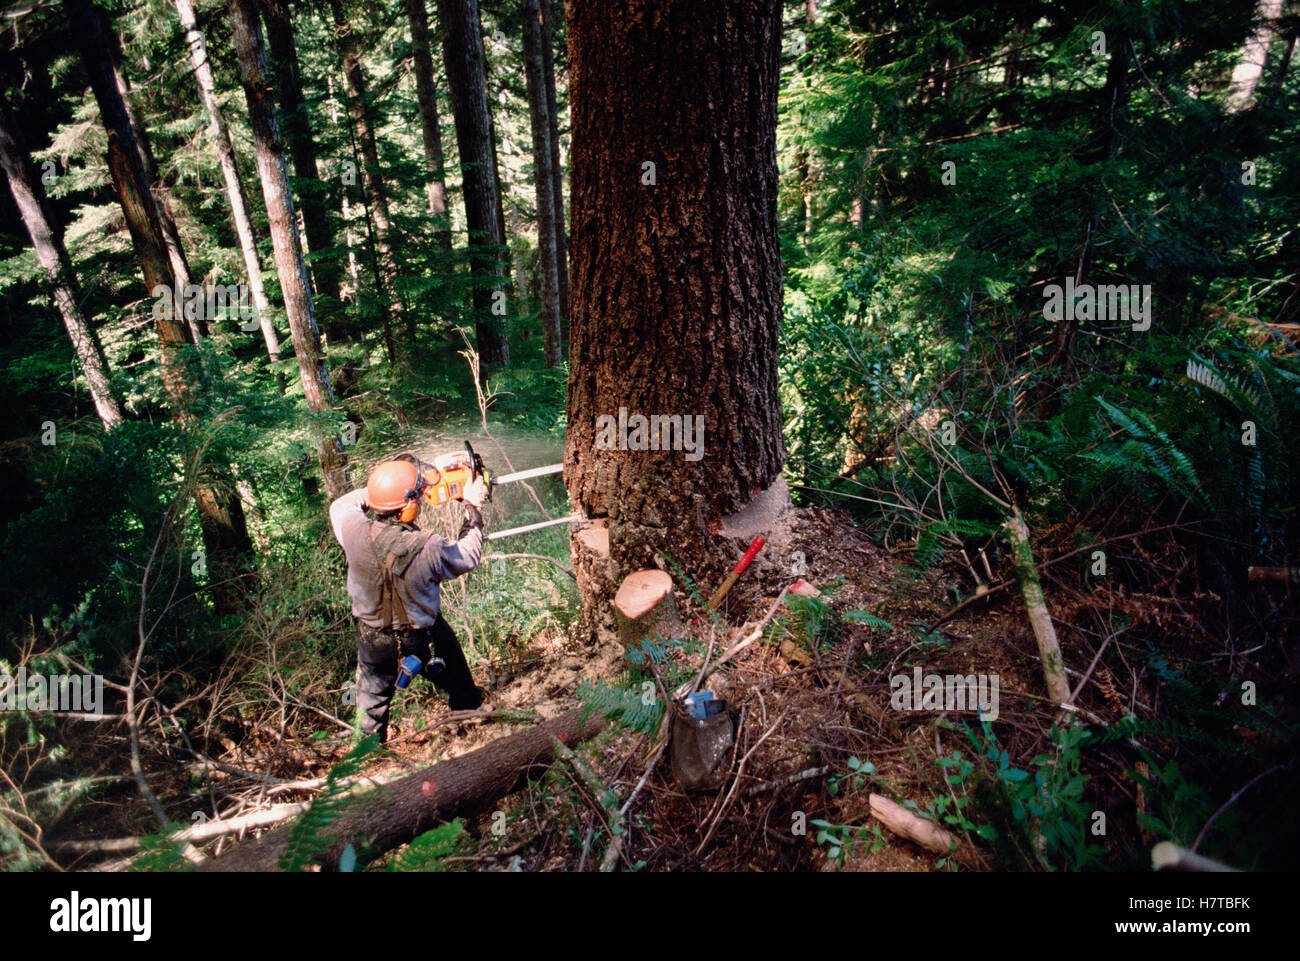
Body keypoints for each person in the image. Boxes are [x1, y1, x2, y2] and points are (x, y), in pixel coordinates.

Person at [329, 454, 489, 743]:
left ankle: (367, 755)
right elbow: (469, 554)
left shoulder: (352, 530)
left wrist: (384, 490)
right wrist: (473, 506)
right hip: (422, 638)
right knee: (463, 689)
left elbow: (341, 504)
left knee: (371, 706)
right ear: (408, 508)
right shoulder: (428, 547)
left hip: (372, 638)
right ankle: (471, 729)